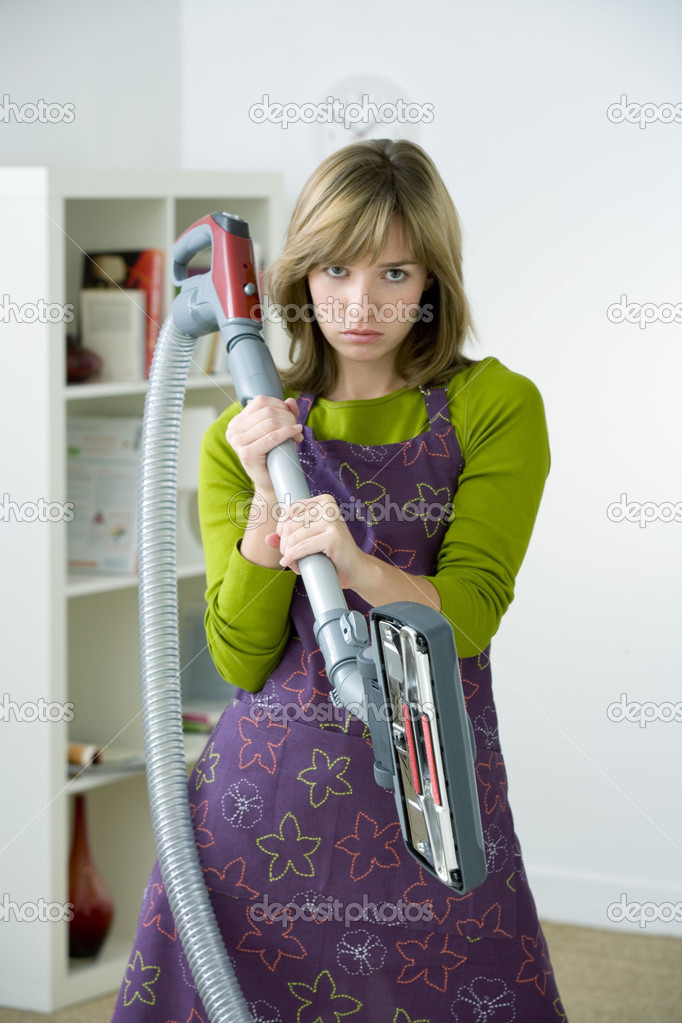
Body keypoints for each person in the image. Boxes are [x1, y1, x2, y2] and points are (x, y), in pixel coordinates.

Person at [112, 139, 568, 1022]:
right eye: (335, 270)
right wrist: (262, 499)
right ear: (299, 277)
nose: (360, 303)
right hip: (261, 798)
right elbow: (240, 659)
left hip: (430, 788)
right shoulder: (248, 433)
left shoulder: (495, 406)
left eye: (394, 273)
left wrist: (355, 563)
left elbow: (469, 616)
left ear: (432, 282)